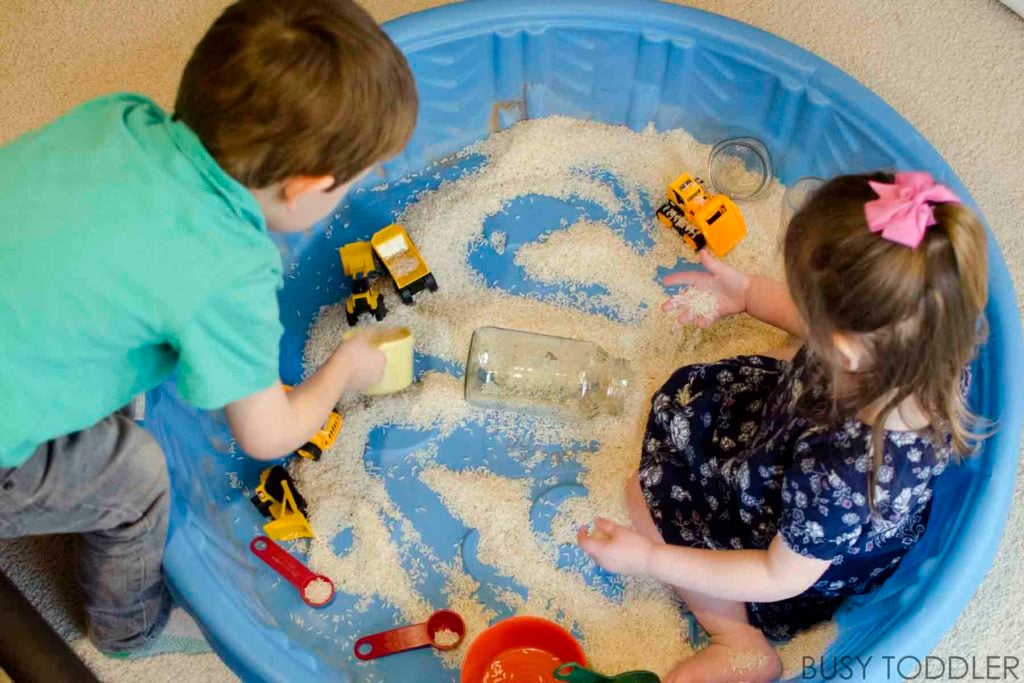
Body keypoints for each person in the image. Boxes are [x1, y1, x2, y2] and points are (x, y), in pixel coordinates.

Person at [0, 0, 417, 658]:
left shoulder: (122, 115)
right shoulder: (230, 271)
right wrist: (345, 366)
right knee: (134, 475)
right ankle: (129, 629)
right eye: (346, 189)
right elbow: (268, 433)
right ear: (306, 187)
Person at [579, 172, 988, 682]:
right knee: (712, 391)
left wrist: (650, 560)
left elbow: (776, 576)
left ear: (839, 349)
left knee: (644, 493)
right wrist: (748, 293)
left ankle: (737, 642)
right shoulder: (933, 339)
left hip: (793, 547)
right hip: (798, 445)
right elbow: (839, 327)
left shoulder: (841, 476)